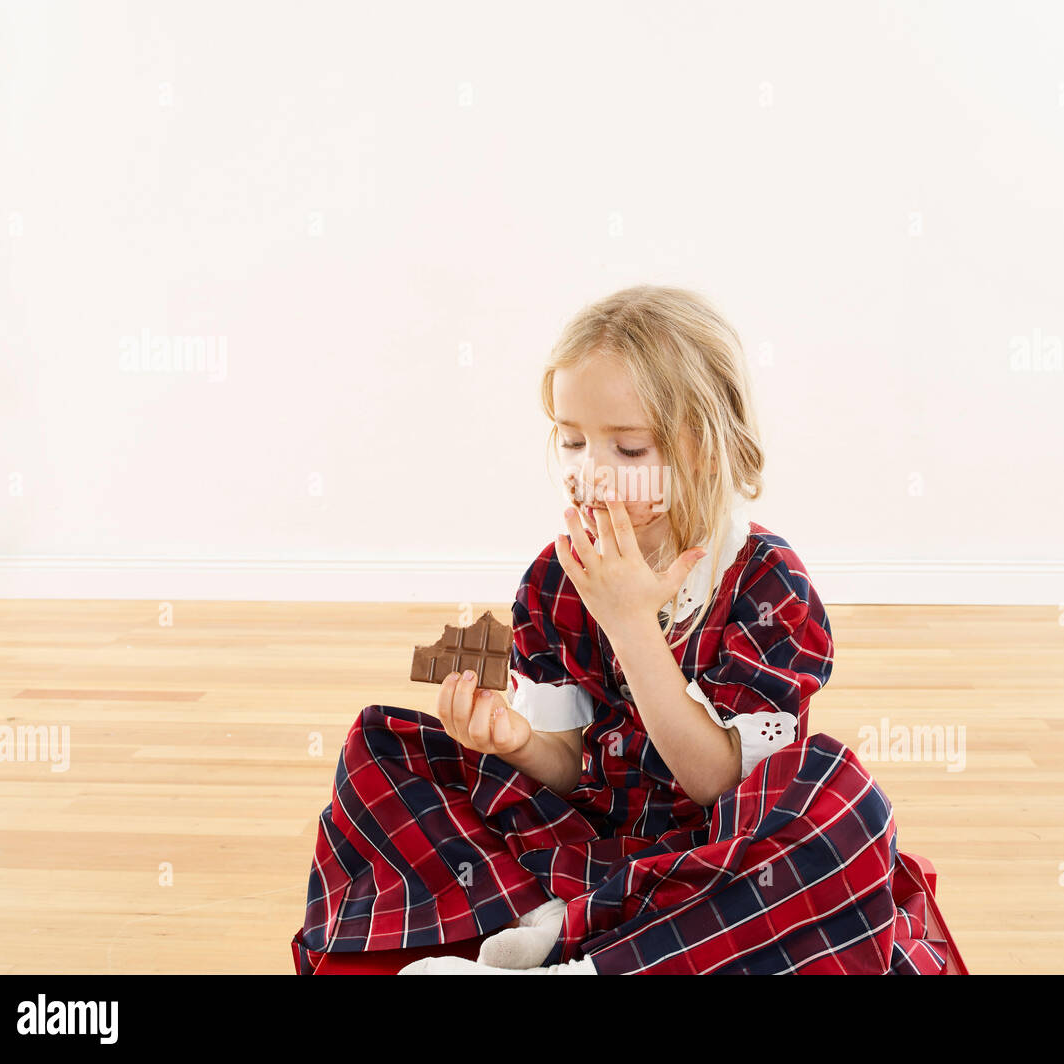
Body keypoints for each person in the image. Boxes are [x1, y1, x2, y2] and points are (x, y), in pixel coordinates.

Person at [291, 284, 954, 974]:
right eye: (573, 442)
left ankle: (589, 960)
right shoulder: (556, 577)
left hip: (713, 863)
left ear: (703, 448)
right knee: (381, 749)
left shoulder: (765, 583)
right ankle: (550, 926)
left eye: (629, 449)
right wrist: (516, 741)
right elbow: (570, 768)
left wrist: (632, 623)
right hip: (585, 847)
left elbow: (720, 786)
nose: (590, 474)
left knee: (843, 798)